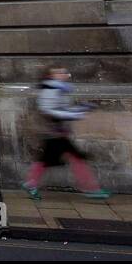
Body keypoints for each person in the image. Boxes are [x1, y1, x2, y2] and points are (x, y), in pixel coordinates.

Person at [24, 67, 111, 201]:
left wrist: (81, 108)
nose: (63, 74)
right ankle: (91, 189)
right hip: (54, 133)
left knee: (47, 160)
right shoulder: (50, 89)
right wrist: (74, 114)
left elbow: (62, 108)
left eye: (64, 72)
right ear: (51, 75)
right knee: (74, 158)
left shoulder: (61, 88)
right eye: (58, 72)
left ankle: (31, 184)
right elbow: (48, 110)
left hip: (59, 132)